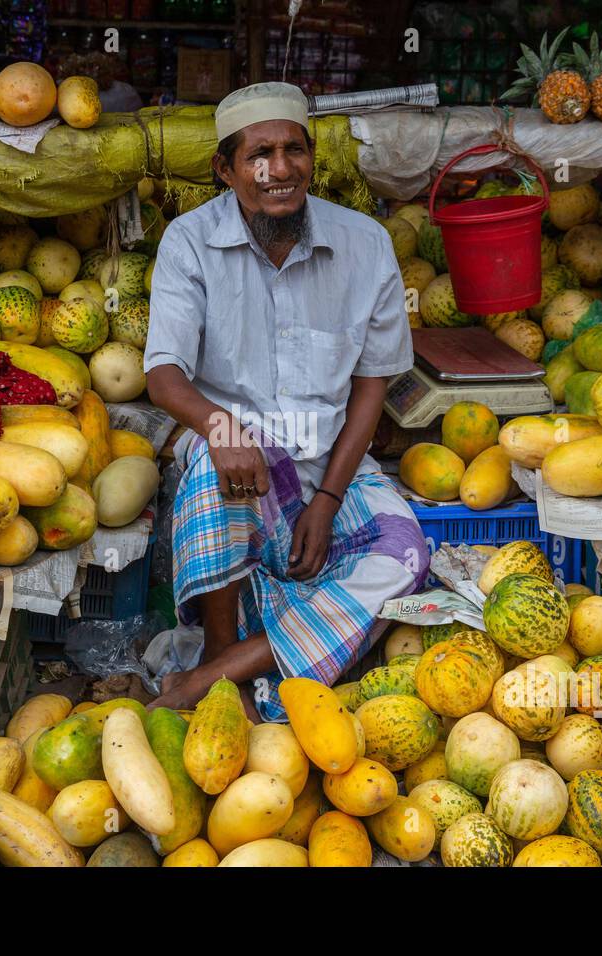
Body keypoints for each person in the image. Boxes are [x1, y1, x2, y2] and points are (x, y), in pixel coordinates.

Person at [144, 81, 429, 719]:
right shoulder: (189, 243)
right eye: (258, 155)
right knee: (223, 468)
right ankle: (228, 652)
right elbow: (163, 375)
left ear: (311, 155)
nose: (279, 170)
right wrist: (220, 426)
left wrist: (327, 501)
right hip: (232, 464)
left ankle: (220, 669)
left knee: (405, 556)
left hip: (329, 463)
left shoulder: (364, 244)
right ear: (225, 168)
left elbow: (372, 385)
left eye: (292, 150)